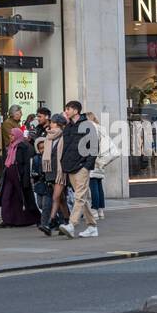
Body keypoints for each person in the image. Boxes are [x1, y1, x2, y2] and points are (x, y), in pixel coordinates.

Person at [57, 101, 99, 238]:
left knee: (79, 196)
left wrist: (87, 166)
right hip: (70, 167)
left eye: (68, 109)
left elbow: (93, 147)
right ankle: (92, 226)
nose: (66, 111)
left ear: (76, 111)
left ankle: (71, 224)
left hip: (82, 167)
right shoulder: (68, 126)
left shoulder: (87, 125)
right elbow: (66, 147)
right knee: (82, 198)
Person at [0, 127, 39, 228]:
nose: (10, 137)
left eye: (12, 135)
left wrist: (25, 180)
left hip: (19, 175)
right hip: (9, 174)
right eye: (10, 135)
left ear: (18, 136)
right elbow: (8, 162)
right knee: (7, 197)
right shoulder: (11, 147)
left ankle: (24, 220)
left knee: (20, 199)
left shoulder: (23, 147)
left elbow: (26, 164)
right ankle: (7, 219)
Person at [86, 111, 115, 220]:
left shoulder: (91, 129)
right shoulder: (101, 128)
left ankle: (94, 209)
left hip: (93, 160)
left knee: (93, 186)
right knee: (98, 185)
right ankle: (101, 210)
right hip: (101, 160)